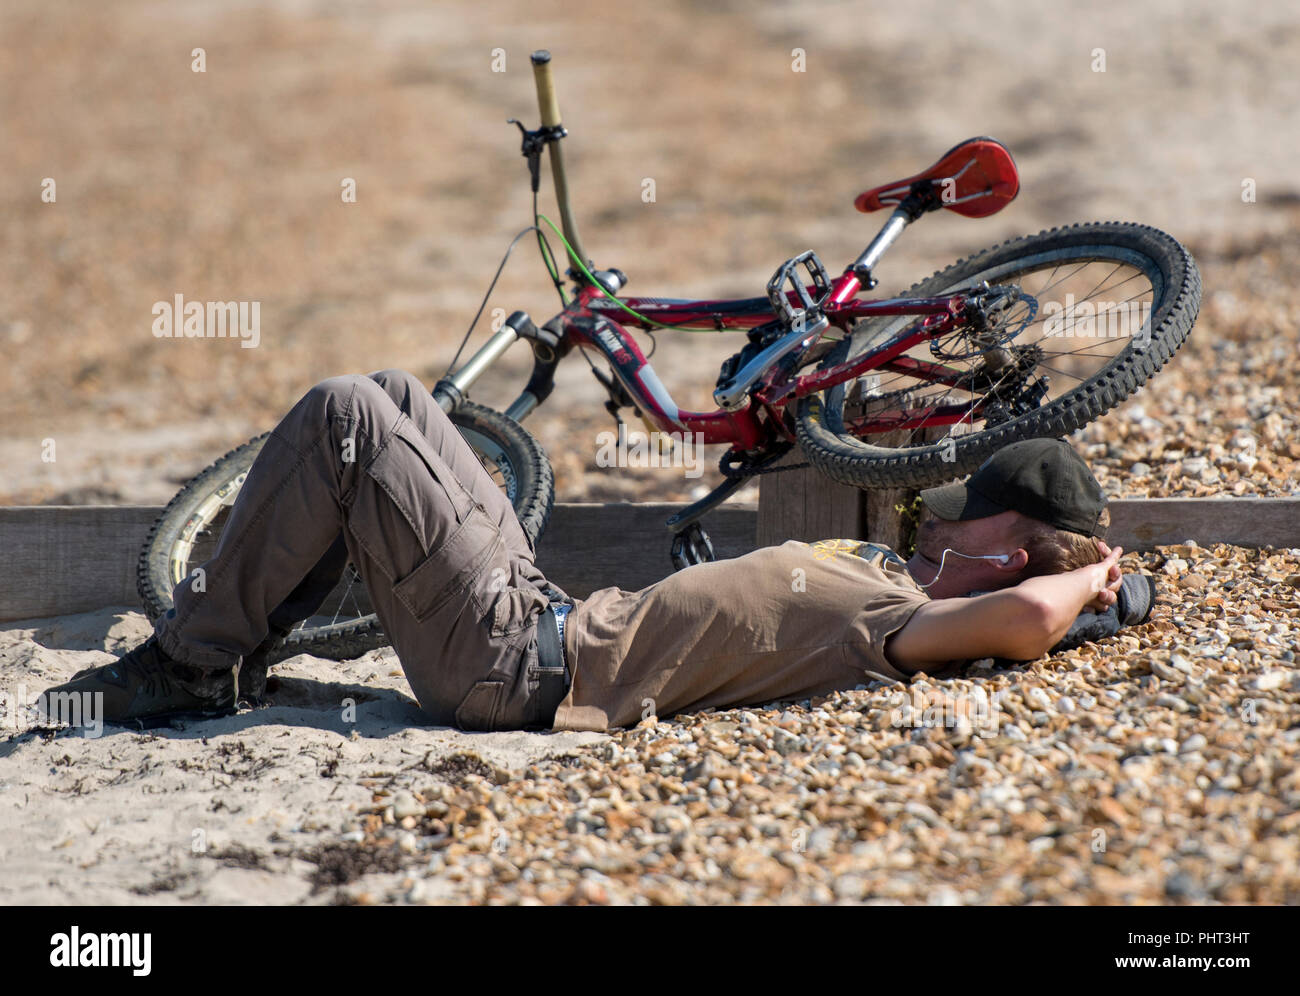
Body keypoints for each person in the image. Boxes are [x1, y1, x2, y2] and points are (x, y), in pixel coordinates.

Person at [41, 370, 1153, 734]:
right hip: (540, 611)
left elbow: (1026, 624)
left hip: (513, 667)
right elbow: (1024, 600)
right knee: (399, 398)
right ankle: (250, 621)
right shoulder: (892, 581)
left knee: (344, 412)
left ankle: (196, 658)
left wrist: (1090, 576)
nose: (936, 520)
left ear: (1007, 552)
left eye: (966, 519)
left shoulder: (905, 623)